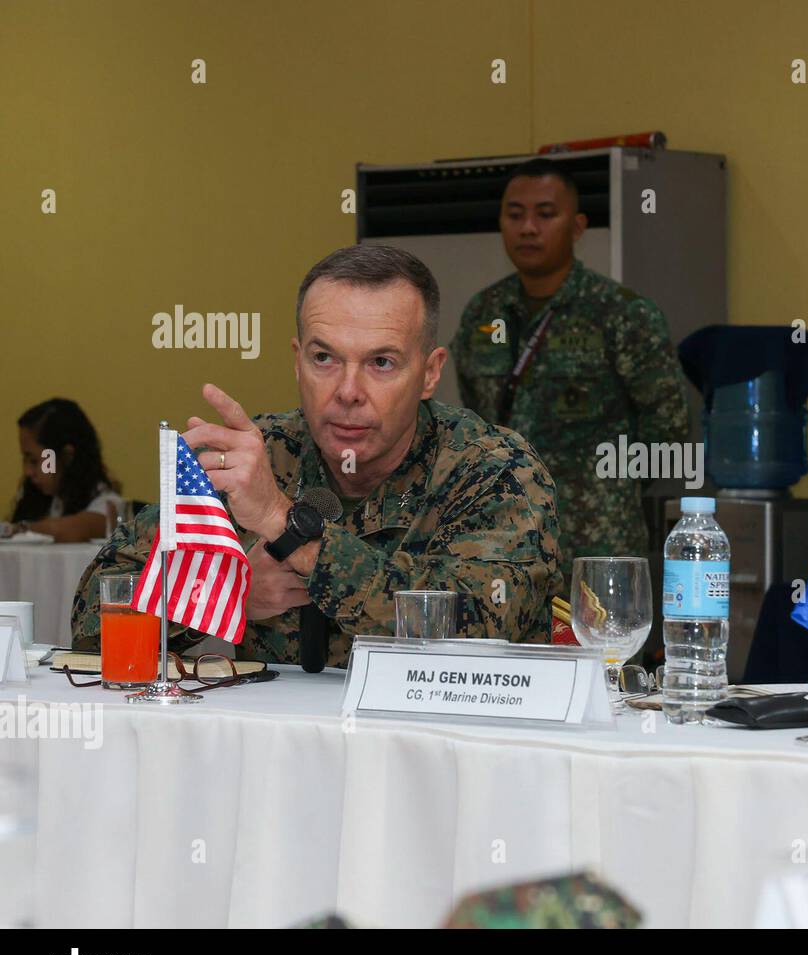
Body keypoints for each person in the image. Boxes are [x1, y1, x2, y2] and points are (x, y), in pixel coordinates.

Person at [72, 244, 564, 668]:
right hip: (282, 758)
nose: (348, 392)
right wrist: (225, 595)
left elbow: (475, 627)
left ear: (430, 373)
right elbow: (94, 619)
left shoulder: (494, 470)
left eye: (381, 363)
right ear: (297, 360)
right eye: (324, 358)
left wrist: (282, 523)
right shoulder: (254, 457)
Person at [451, 158, 690, 583]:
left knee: (603, 648)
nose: (528, 228)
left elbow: (668, 432)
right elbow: (478, 419)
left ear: (577, 226)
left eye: (545, 214)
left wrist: (602, 487)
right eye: (515, 214)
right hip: (504, 538)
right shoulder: (483, 314)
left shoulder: (621, 314)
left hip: (597, 543)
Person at [5, 398, 123, 543]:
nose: (28, 471)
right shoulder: (37, 500)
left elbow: (72, 531)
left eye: (34, 461)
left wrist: (16, 529)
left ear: (67, 457)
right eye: (25, 460)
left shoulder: (107, 505)